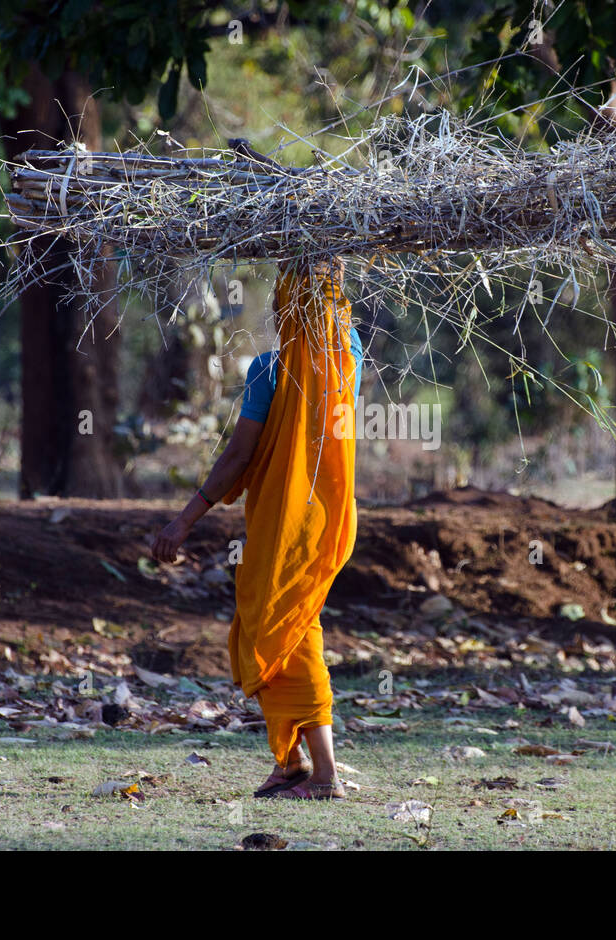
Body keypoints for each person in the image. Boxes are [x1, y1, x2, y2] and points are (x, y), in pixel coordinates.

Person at [150, 258, 363, 800]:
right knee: (273, 625)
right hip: (329, 518)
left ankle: (325, 774)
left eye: (283, 298)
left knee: (286, 633)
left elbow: (240, 456)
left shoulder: (272, 370)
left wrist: (184, 519)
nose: (274, 307)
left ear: (291, 304)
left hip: (286, 522)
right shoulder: (351, 355)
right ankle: (289, 763)